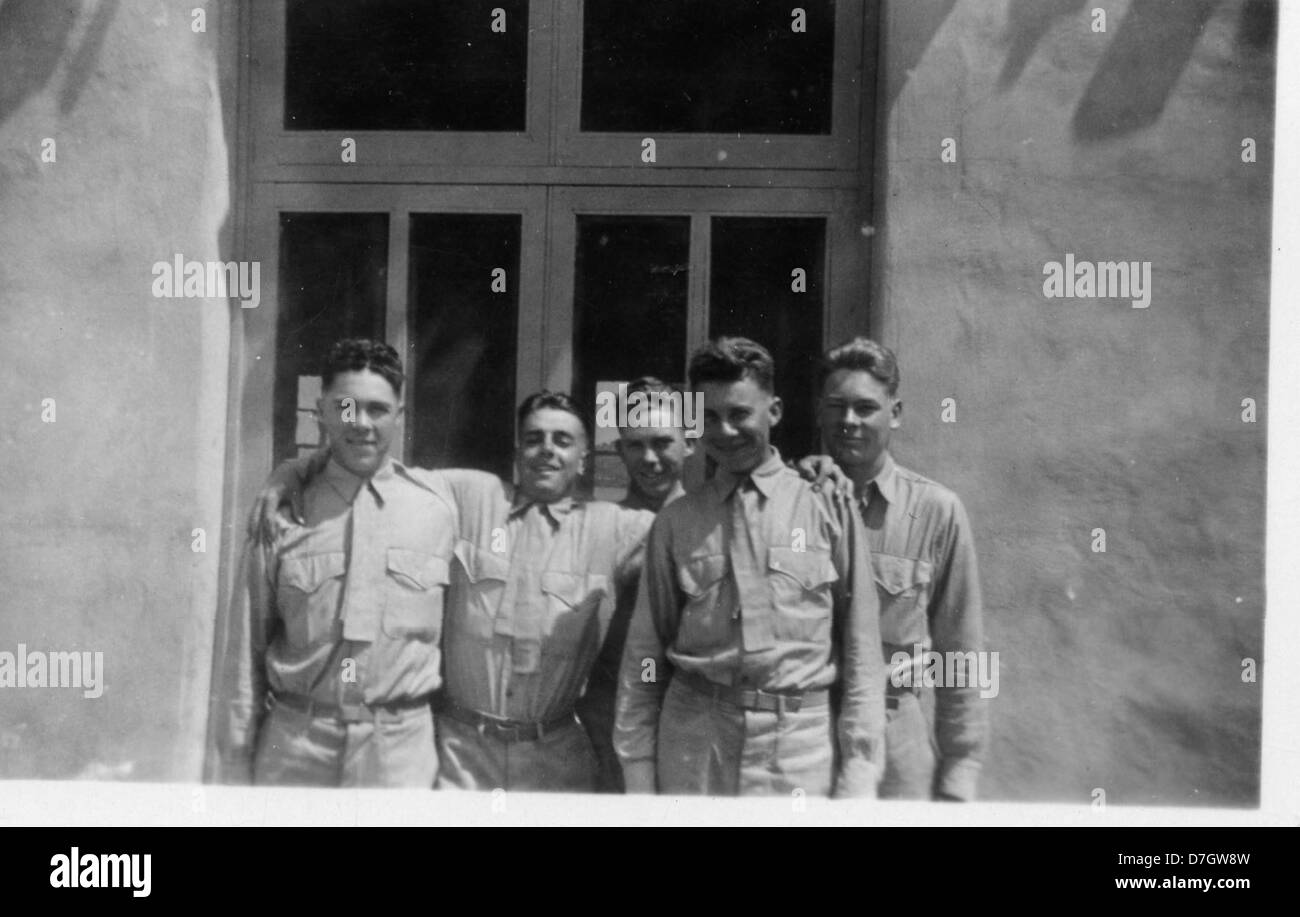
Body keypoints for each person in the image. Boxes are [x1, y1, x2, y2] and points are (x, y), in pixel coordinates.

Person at [249, 390, 652, 792]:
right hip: (462, 758)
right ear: (517, 448)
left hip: (556, 761)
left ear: (584, 457)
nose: (546, 450)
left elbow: (683, 529)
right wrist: (295, 470)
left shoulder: (611, 528)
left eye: (562, 441)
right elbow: (381, 471)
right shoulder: (470, 495)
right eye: (534, 439)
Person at [614, 337, 886, 797]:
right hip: (694, 743)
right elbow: (643, 661)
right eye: (710, 417)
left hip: (797, 748)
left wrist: (858, 777)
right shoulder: (677, 523)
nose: (725, 430)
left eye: (740, 414)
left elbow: (862, 655)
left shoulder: (827, 505)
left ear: (774, 411)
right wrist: (640, 780)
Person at [215, 338, 456, 787]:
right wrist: (234, 759)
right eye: (345, 408)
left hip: (399, 752)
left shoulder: (440, 508)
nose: (361, 423)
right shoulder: (282, 513)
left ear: (399, 417)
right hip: (297, 747)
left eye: (377, 409)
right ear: (320, 413)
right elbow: (246, 649)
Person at [809, 337, 988, 800]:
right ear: (819, 412)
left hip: (896, 733)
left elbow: (959, 652)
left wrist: (959, 772)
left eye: (866, 408)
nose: (849, 421)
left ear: (895, 413)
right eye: (836, 406)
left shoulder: (936, 511)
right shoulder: (796, 498)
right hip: (807, 728)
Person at [577, 377, 694, 792]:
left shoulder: (711, 525)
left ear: (689, 443)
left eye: (663, 442)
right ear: (619, 450)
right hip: (607, 715)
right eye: (635, 445)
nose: (650, 458)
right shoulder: (597, 526)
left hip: (689, 713)